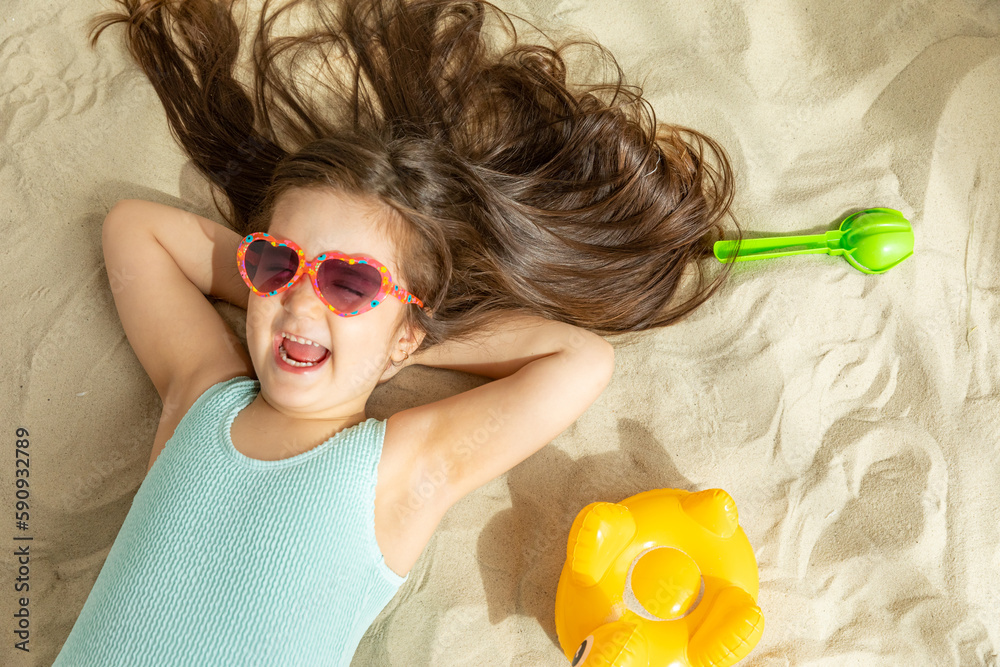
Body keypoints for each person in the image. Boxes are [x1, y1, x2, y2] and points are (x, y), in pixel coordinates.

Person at [53, 0, 741, 664]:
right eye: (275, 260)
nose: (300, 303)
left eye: (348, 283)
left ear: (408, 337)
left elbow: (578, 358)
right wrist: (313, 295)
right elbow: (135, 230)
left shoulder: (398, 469)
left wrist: (398, 328)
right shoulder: (201, 393)